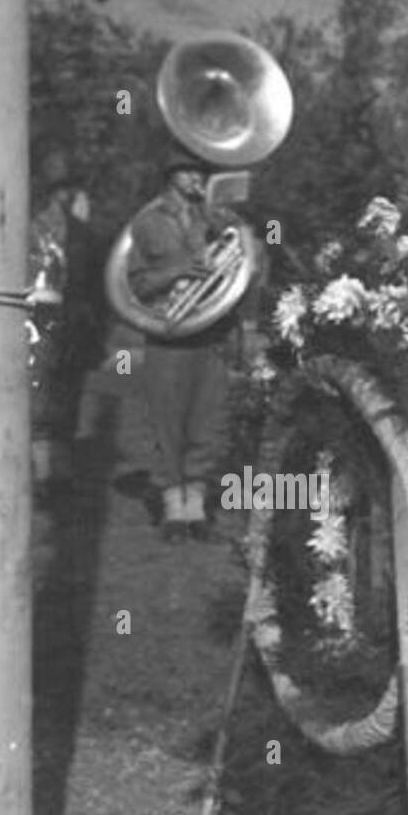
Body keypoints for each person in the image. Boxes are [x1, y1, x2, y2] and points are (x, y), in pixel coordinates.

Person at [127, 144, 251, 542]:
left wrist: (229, 228)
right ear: (172, 175)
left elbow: (245, 263)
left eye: (202, 171)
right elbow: (137, 284)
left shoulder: (215, 219)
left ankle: (195, 507)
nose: (198, 178)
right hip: (168, 333)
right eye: (190, 171)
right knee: (167, 420)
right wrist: (178, 269)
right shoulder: (146, 224)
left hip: (211, 333)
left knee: (207, 421)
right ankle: (172, 507)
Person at [28, 146, 97, 499]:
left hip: (72, 319)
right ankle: (40, 470)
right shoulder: (27, 230)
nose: (64, 197)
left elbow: (92, 280)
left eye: (68, 189)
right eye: (58, 189)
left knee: (69, 392)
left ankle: (63, 469)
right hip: (35, 315)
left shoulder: (82, 233)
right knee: (37, 391)